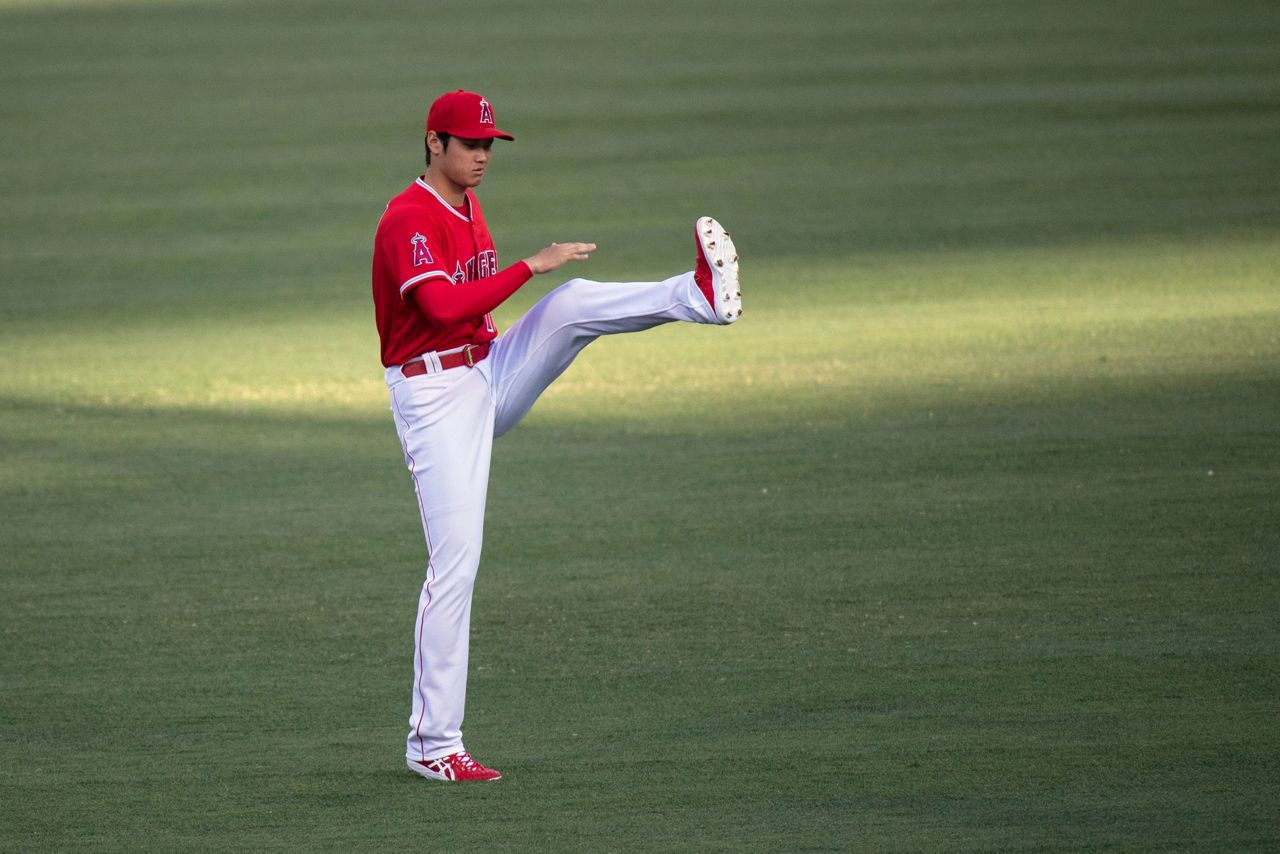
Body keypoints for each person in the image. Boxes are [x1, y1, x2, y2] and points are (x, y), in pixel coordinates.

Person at [370, 89, 742, 782]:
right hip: (433, 398)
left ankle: (698, 297)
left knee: (571, 306)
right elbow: (440, 305)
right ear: (433, 143)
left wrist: (529, 297)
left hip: (484, 371)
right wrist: (530, 266)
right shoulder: (408, 219)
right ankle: (432, 746)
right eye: (468, 143)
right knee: (456, 565)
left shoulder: (468, 204)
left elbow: (474, 317)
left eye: (488, 145)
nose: (481, 155)